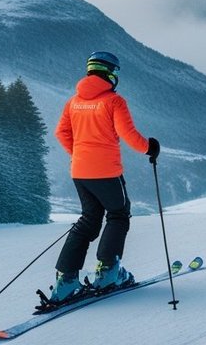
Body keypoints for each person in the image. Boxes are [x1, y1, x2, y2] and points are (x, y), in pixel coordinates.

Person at [46, 51, 160, 304]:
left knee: (88, 220)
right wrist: (150, 147)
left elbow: (60, 132)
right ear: (111, 73)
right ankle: (108, 273)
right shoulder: (113, 101)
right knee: (118, 215)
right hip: (106, 172)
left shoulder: (73, 102)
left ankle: (66, 282)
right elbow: (128, 135)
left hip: (80, 172)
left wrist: (79, 154)